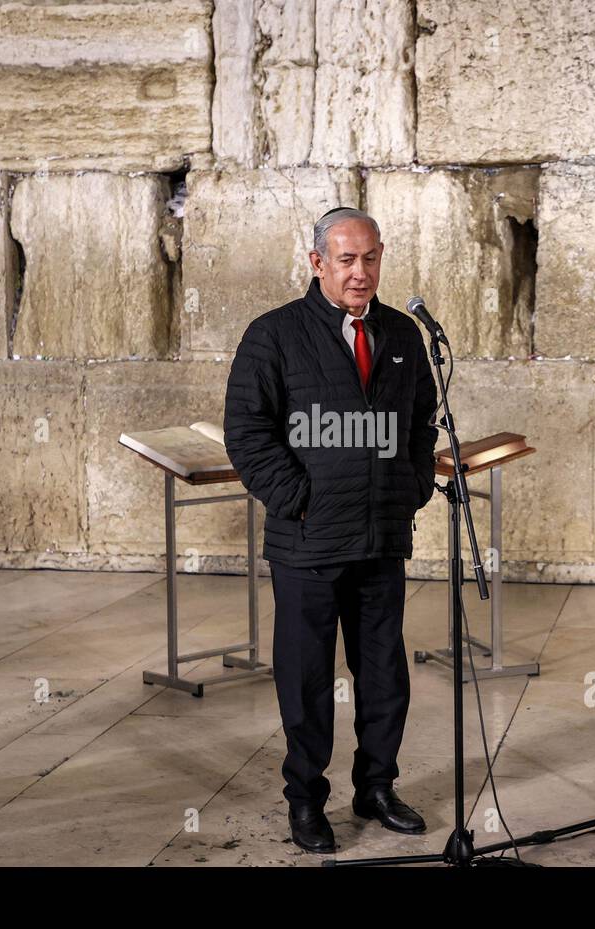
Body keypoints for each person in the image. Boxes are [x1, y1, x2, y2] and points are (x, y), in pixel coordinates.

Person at [223, 207, 438, 853]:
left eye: (370, 258)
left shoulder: (401, 333)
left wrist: (413, 486)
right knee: (307, 678)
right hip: (308, 542)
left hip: (380, 536)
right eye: (346, 259)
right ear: (316, 263)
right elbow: (248, 431)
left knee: (383, 673)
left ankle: (376, 787)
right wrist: (299, 500)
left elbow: (423, 422)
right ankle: (306, 801)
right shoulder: (274, 335)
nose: (361, 272)